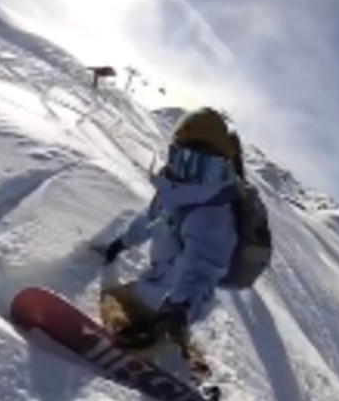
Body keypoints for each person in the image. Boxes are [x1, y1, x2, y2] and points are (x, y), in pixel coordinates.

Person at [92, 107, 271, 369]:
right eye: (183, 160)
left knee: (113, 304)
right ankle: (178, 352)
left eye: (203, 167)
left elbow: (202, 269)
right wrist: (121, 243)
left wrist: (179, 309)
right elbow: (150, 221)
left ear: (222, 168)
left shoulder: (212, 214)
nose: (190, 174)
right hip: (159, 290)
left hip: (173, 302)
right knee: (124, 301)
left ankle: (152, 351)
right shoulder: (171, 194)